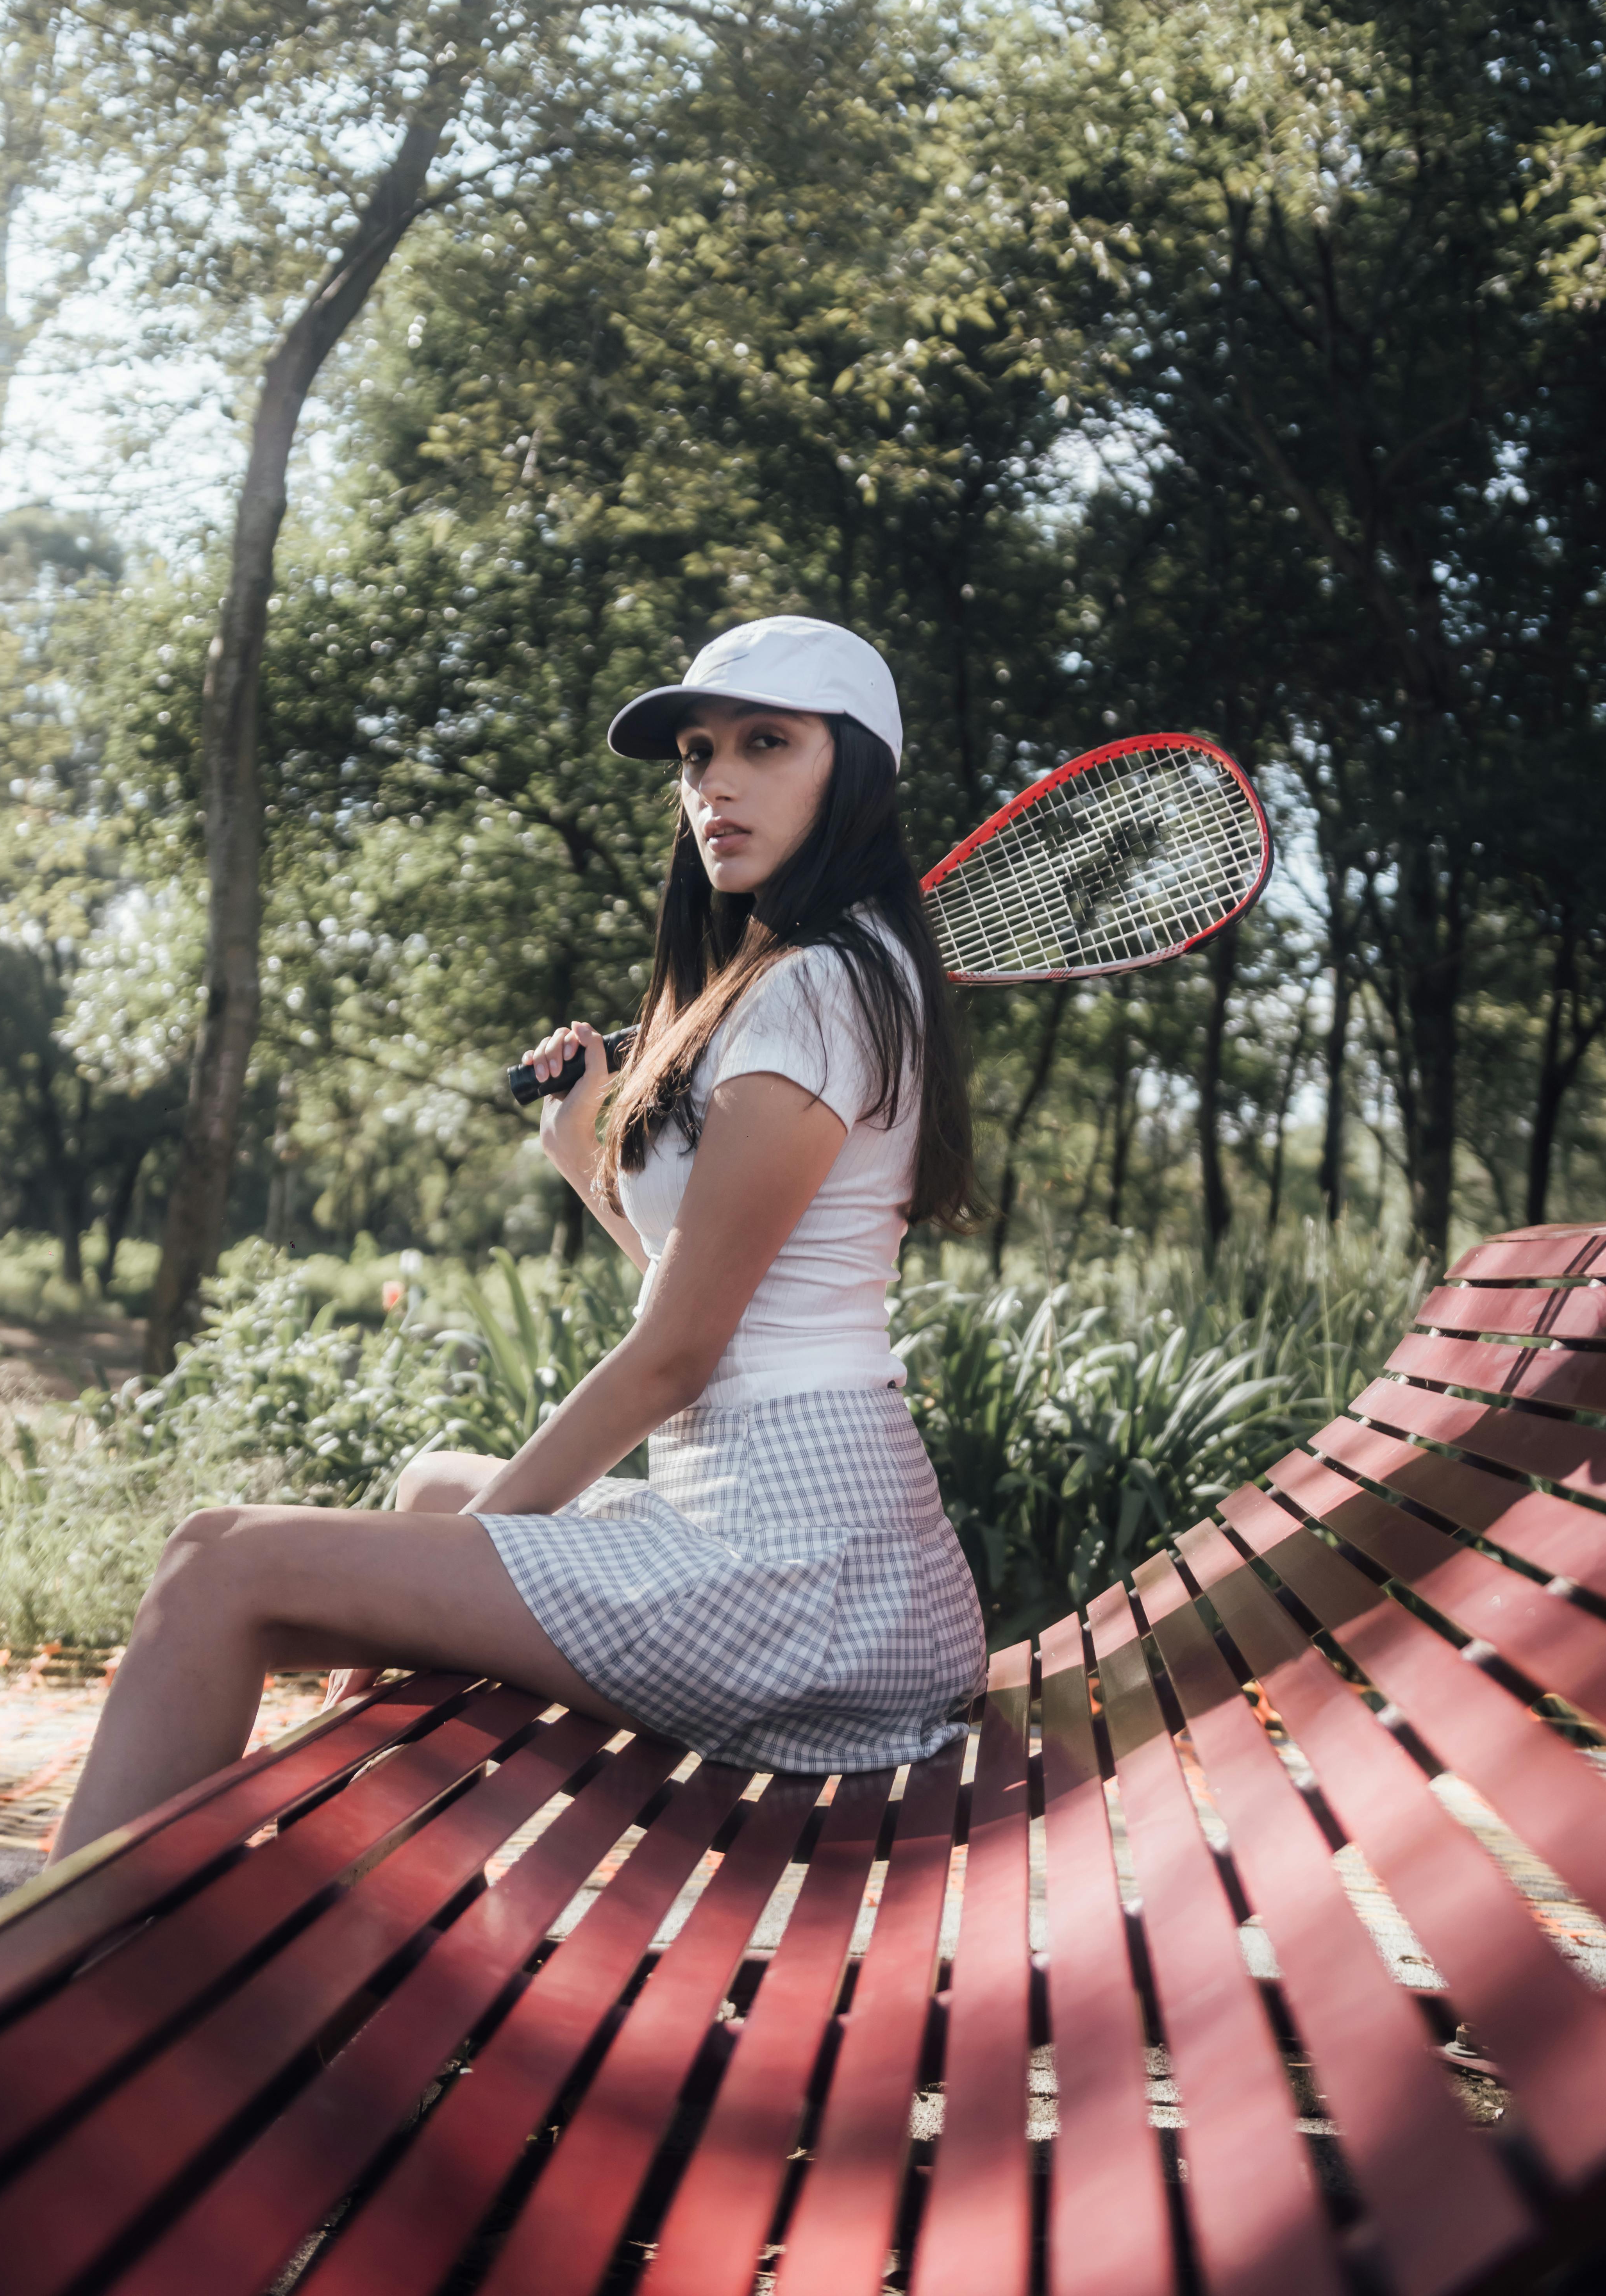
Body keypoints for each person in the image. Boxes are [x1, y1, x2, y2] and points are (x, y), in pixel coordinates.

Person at [48, 616, 984, 1862]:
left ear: (854, 768)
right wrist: (582, 1152)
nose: (716, 782)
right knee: (438, 1477)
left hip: (808, 1579)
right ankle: (349, 1904)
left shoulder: (816, 984)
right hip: (818, 1554)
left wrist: (459, 1544)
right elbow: (720, 1294)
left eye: (767, 743)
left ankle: (65, 1992)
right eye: (698, 753)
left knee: (218, 1564)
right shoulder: (825, 973)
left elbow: (679, 1353)